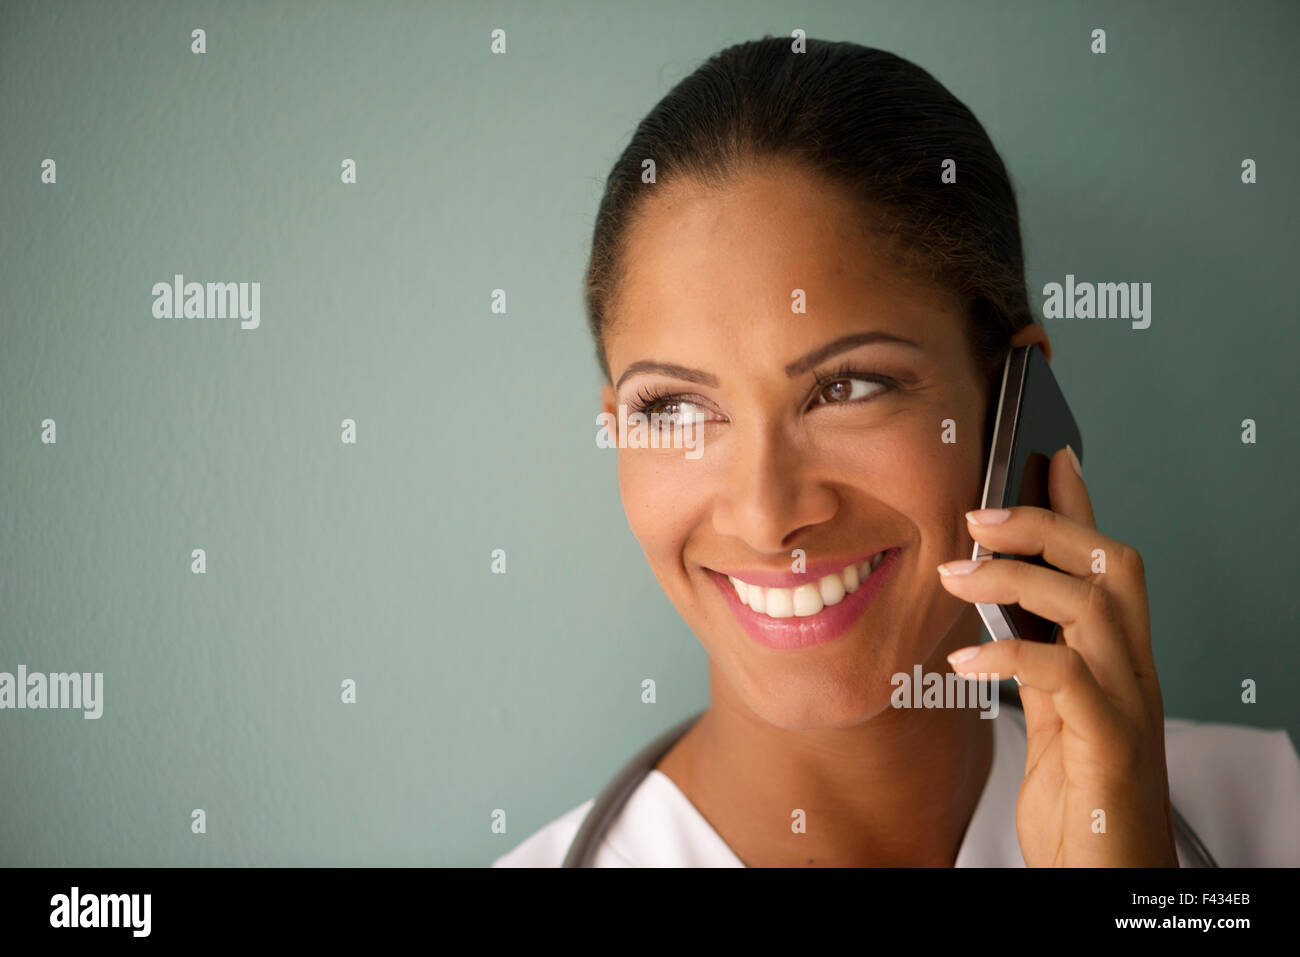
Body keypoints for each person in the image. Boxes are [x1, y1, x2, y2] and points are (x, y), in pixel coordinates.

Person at [494, 36, 1300, 867]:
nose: (769, 514)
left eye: (848, 388)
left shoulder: (1263, 813)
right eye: (673, 406)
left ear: (1016, 406)